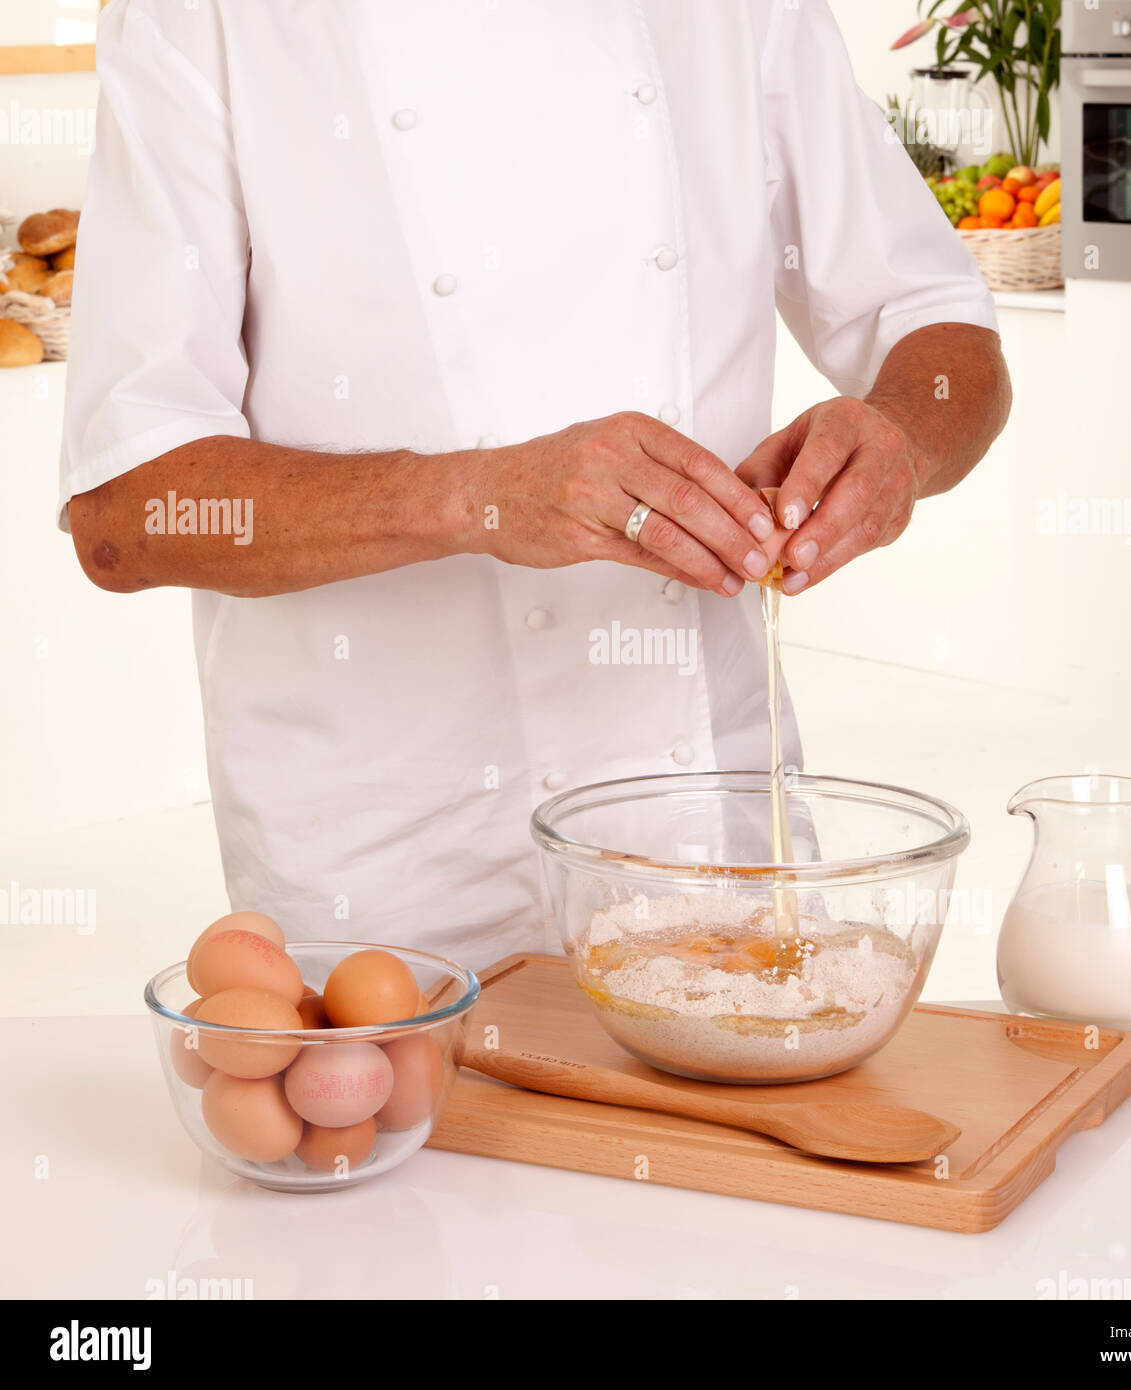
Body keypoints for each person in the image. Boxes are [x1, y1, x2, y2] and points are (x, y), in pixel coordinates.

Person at [62, 0, 1010, 968]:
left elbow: (936, 321)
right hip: (389, 880)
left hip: (706, 838)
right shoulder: (206, 21)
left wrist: (901, 439)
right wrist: (479, 494)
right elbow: (127, 510)